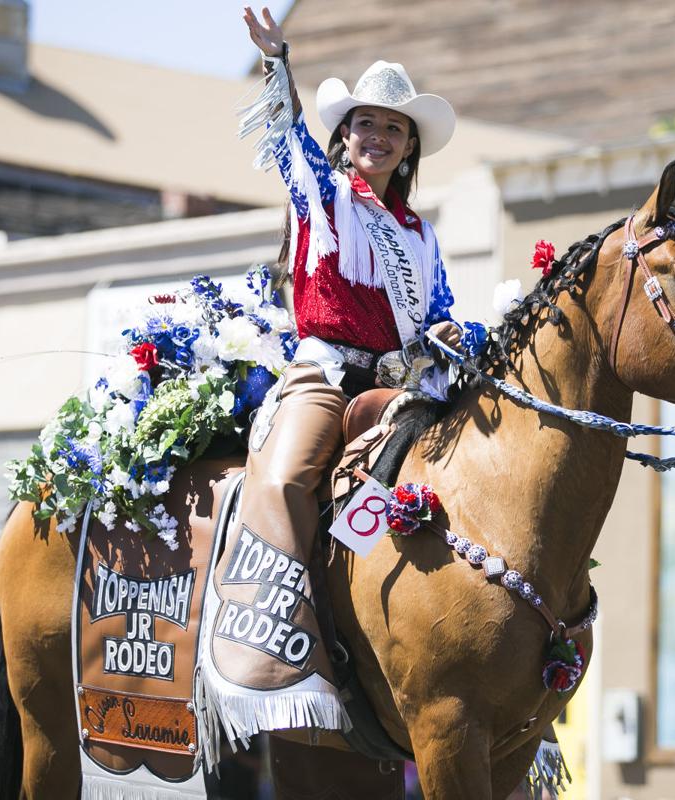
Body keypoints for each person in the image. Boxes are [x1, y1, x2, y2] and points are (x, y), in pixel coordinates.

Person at [200, 5, 463, 756]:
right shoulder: (319, 189)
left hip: (397, 386)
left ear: (409, 146)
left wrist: (452, 333)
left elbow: (440, 309)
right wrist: (277, 60)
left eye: (393, 129)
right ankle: (284, 635)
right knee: (284, 480)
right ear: (345, 136)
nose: (377, 138)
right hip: (325, 375)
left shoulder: (419, 234)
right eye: (365, 125)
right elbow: (282, 132)